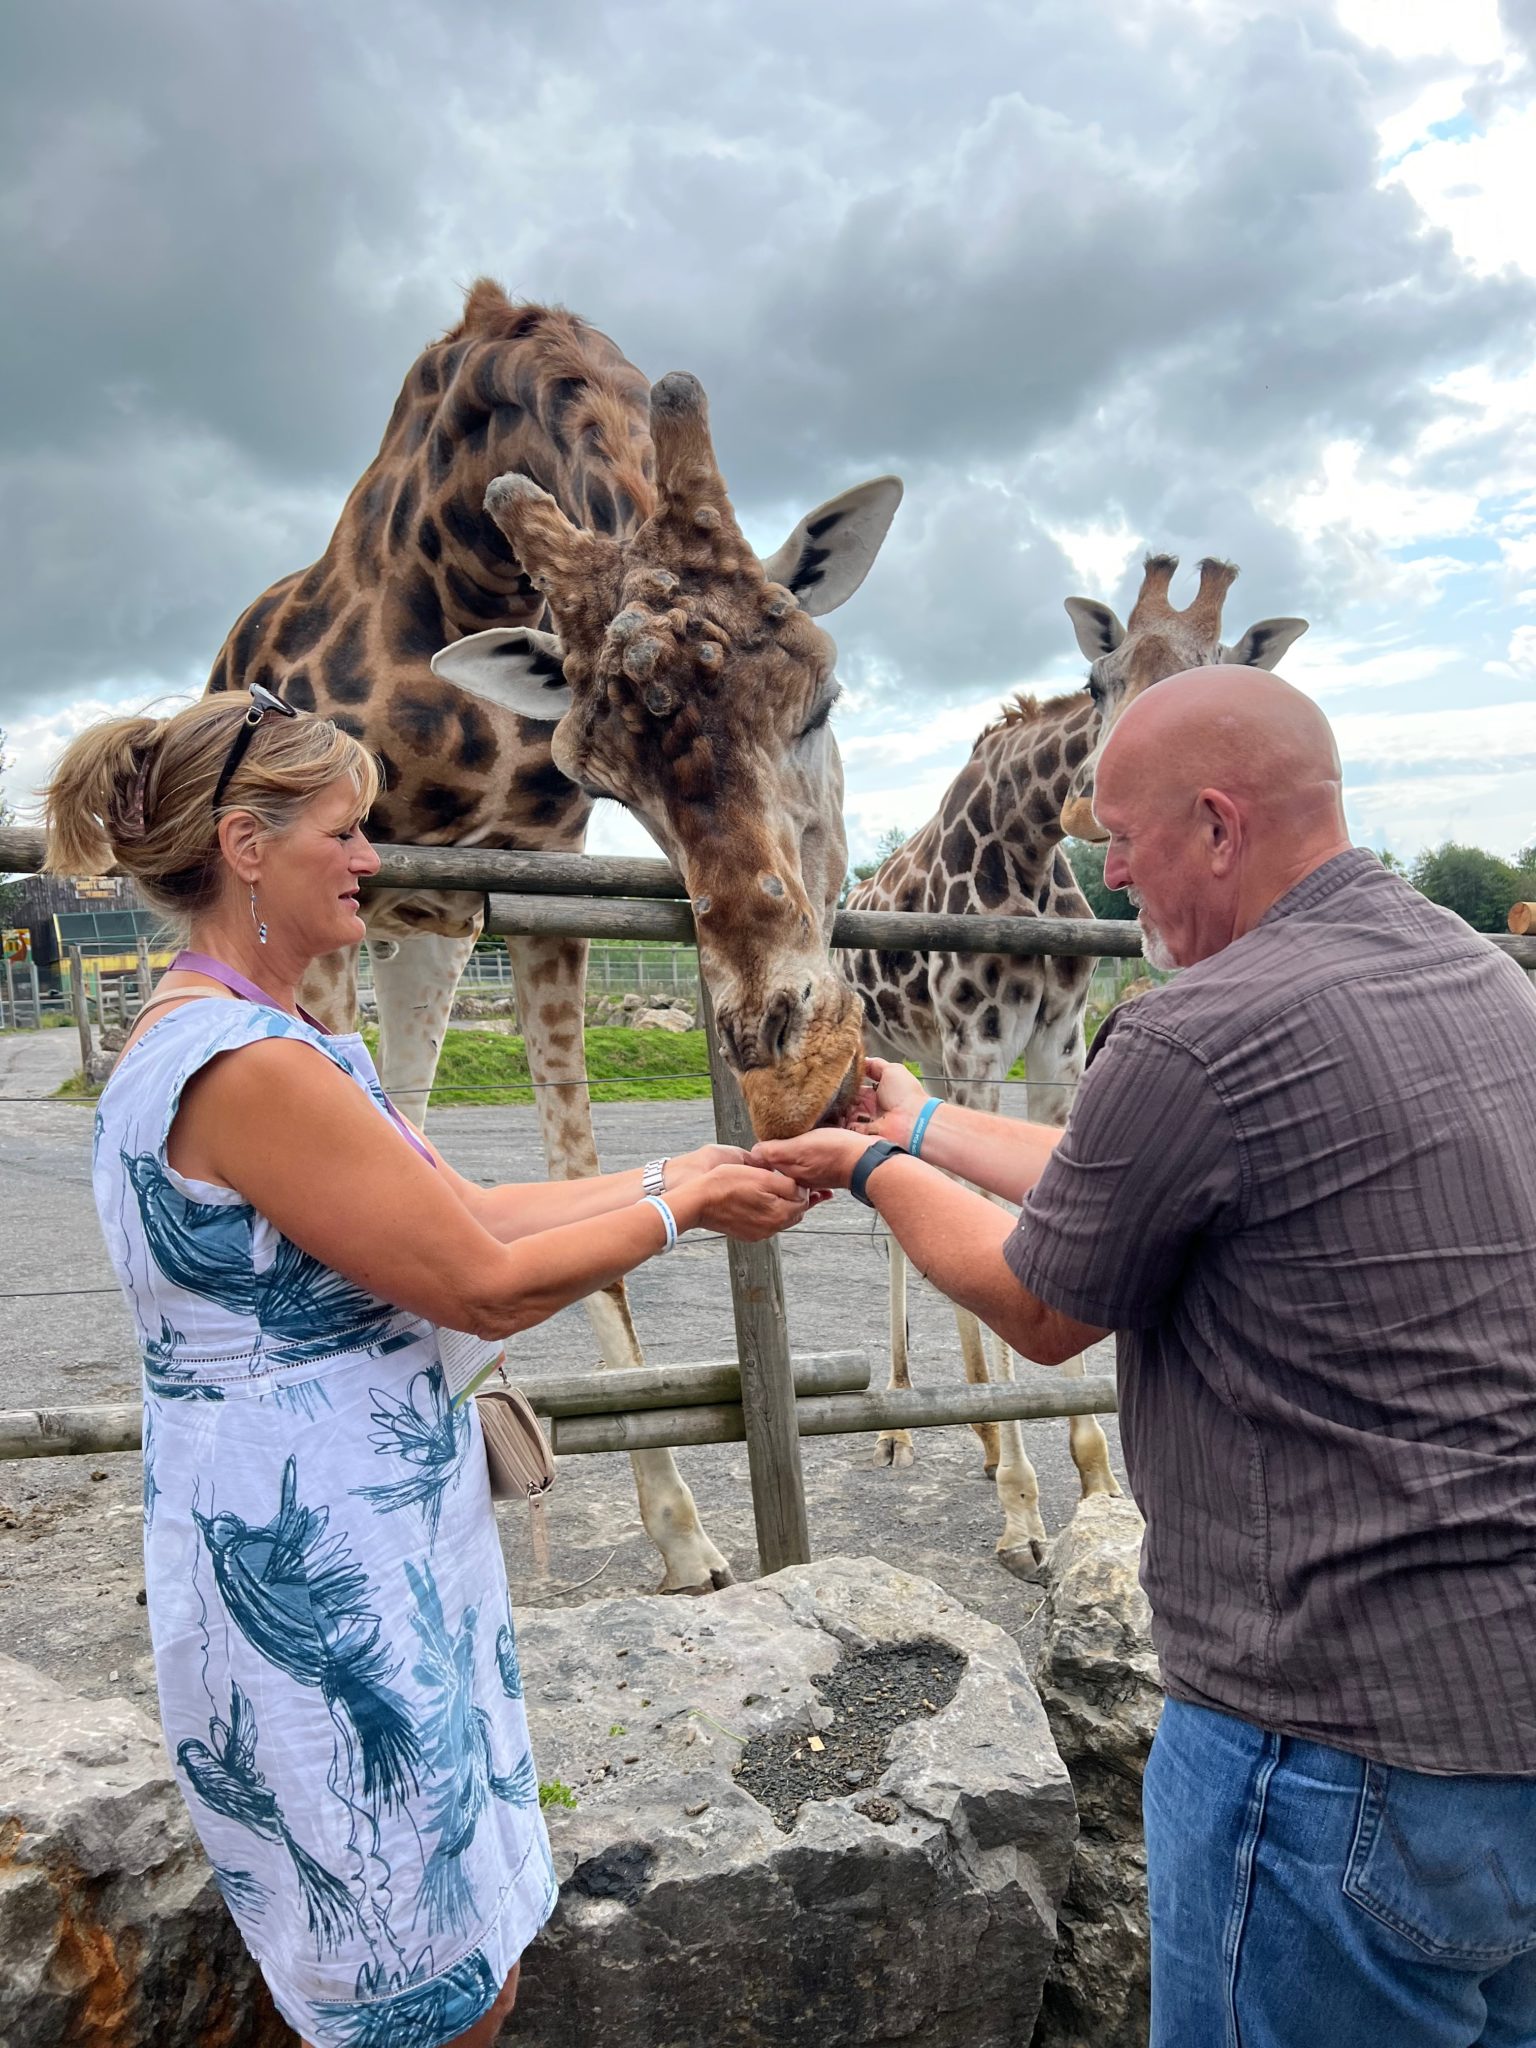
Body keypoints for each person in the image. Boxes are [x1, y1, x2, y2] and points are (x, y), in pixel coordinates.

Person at [755, 668, 1536, 2048]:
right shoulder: (1483, 979)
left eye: (1121, 839)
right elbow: (1137, 1170)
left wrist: (866, 1166)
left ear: (1219, 826)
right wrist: (928, 1124)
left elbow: (1041, 1300)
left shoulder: (1195, 1030)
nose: (1105, 876)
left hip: (1327, 1746)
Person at [44, 688, 810, 2048]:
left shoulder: (266, 1041)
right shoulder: (248, 1069)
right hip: (320, 1565)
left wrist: (679, 1168)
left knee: (447, 1964)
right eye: (342, 832)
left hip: (357, 1538)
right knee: (420, 1986)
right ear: (245, 846)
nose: (370, 857)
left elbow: (471, 1216)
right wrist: (685, 1210)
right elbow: (479, 1282)